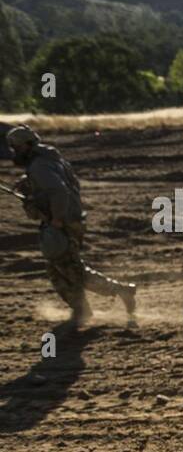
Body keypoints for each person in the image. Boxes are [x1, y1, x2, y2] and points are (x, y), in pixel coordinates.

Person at [7, 125, 136, 326]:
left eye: (16, 147)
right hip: (72, 220)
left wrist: (57, 218)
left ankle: (112, 295)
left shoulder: (39, 166)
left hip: (61, 223)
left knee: (70, 269)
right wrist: (28, 181)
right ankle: (86, 307)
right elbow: (62, 183)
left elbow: (59, 191)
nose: (14, 152)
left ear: (27, 145)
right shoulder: (50, 159)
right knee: (60, 268)